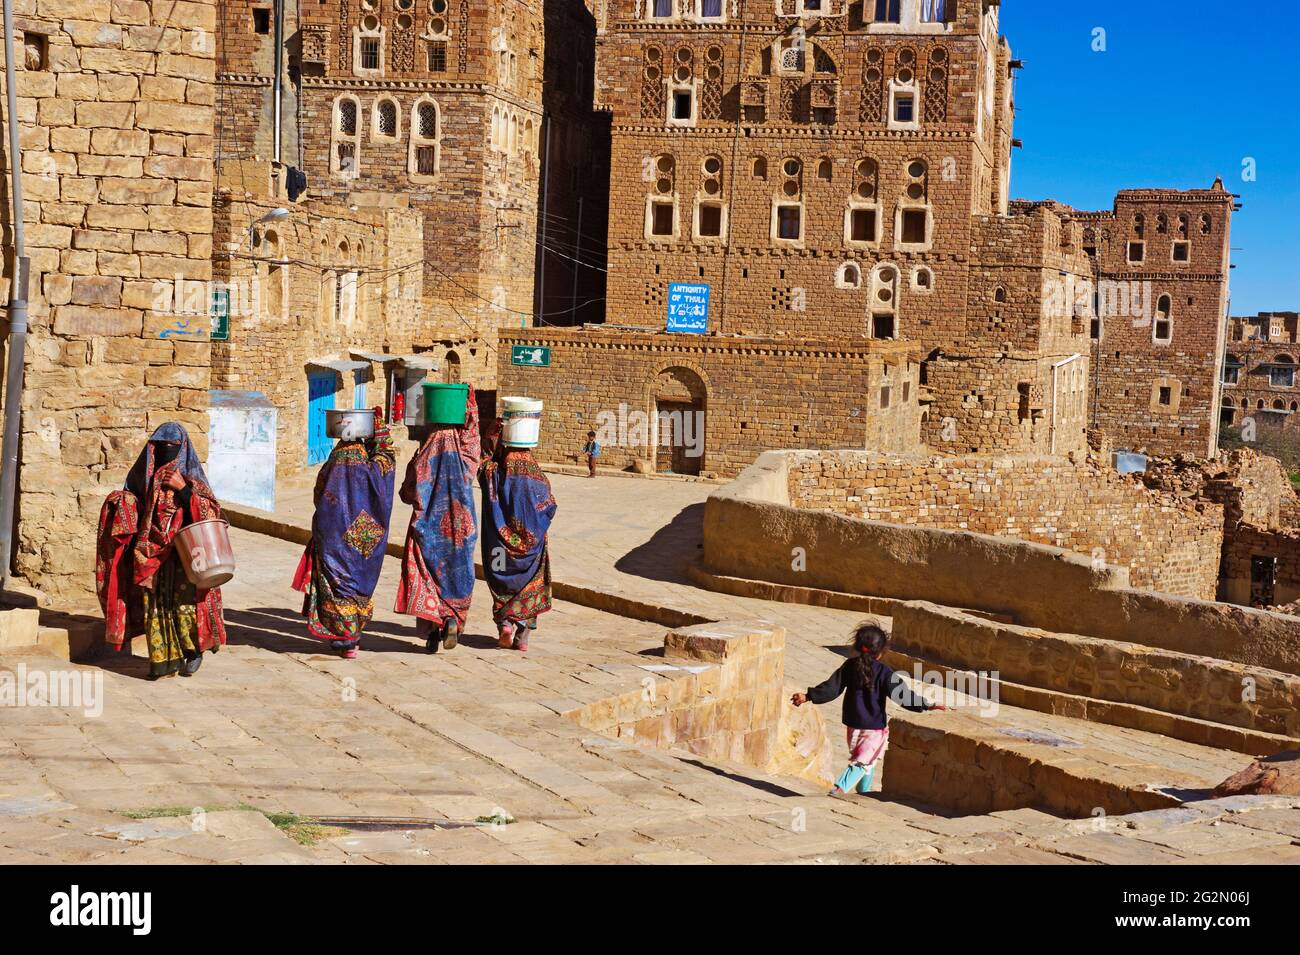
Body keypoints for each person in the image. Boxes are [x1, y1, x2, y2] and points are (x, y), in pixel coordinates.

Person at [95, 423, 227, 680]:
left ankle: (192, 652)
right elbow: (134, 503)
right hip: (150, 555)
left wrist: (183, 489)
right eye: (161, 447)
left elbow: (211, 512)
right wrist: (121, 503)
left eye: (172, 449)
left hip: (185, 555)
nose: (167, 452)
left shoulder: (191, 479)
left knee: (184, 605)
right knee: (156, 607)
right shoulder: (142, 478)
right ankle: (163, 660)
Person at [792, 622, 945, 796]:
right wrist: (927, 704)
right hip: (873, 728)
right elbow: (902, 695)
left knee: (868, 758)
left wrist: (808, 696)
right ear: (880, 652)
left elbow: (831, 688)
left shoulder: (849, 666)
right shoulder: (884, 672)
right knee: (863, 761)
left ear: (857, 646)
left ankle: (864, 791)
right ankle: (840, 787)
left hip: (852, 725)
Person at [292, 408, 396, 659]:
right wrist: (378, 430)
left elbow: (319, 494)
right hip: (365, 535)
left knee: (338, 579)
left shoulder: (334, 458)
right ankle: (352, 635)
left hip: (334, 531)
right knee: (358, 578)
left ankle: (346, 636)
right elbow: (388, 458)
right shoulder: (374, 464)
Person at [395, 385, 481, 653]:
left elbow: (407, 494)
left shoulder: (422, 456)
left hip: (428, 528)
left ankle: (432, 629)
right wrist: (470, 403)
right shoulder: (467, 453)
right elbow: (474, 433)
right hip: (462, 528)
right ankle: (452, 620)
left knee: (427, 574)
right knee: (457, 573)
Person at [479, 426, 556, 651]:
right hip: (530, 552)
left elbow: (482, 458)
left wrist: (495, 432)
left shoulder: (492, 473)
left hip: (498, 549)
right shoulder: (539, 478)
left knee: (500, 581)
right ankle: (522, 635)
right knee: (531, 584)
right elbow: (550, 506)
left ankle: (504, 624)